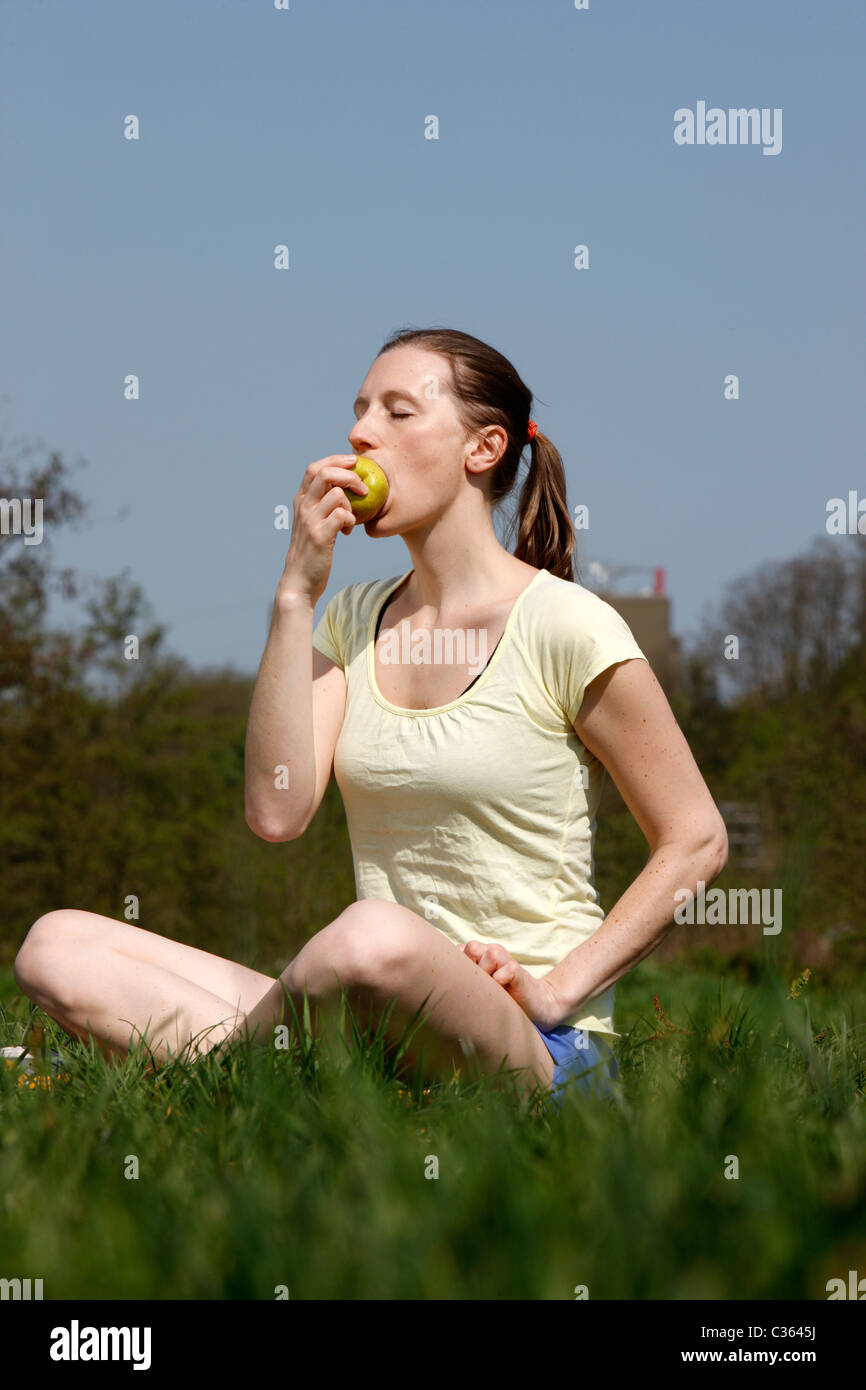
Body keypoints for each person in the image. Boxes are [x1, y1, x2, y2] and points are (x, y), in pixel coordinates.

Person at [12, 327, 728, 1110]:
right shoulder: (350, 619)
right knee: (56, 944)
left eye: (397, 412)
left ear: (483, 448)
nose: (360, 434)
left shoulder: (566, 624)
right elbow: (277, 812)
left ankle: (223, 1077)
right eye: (358, 412)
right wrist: (296, 595)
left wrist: (560, 991)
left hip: (535, 1044)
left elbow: (696, 839)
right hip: (367, 1013)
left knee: (370, 936)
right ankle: (282, 1076)